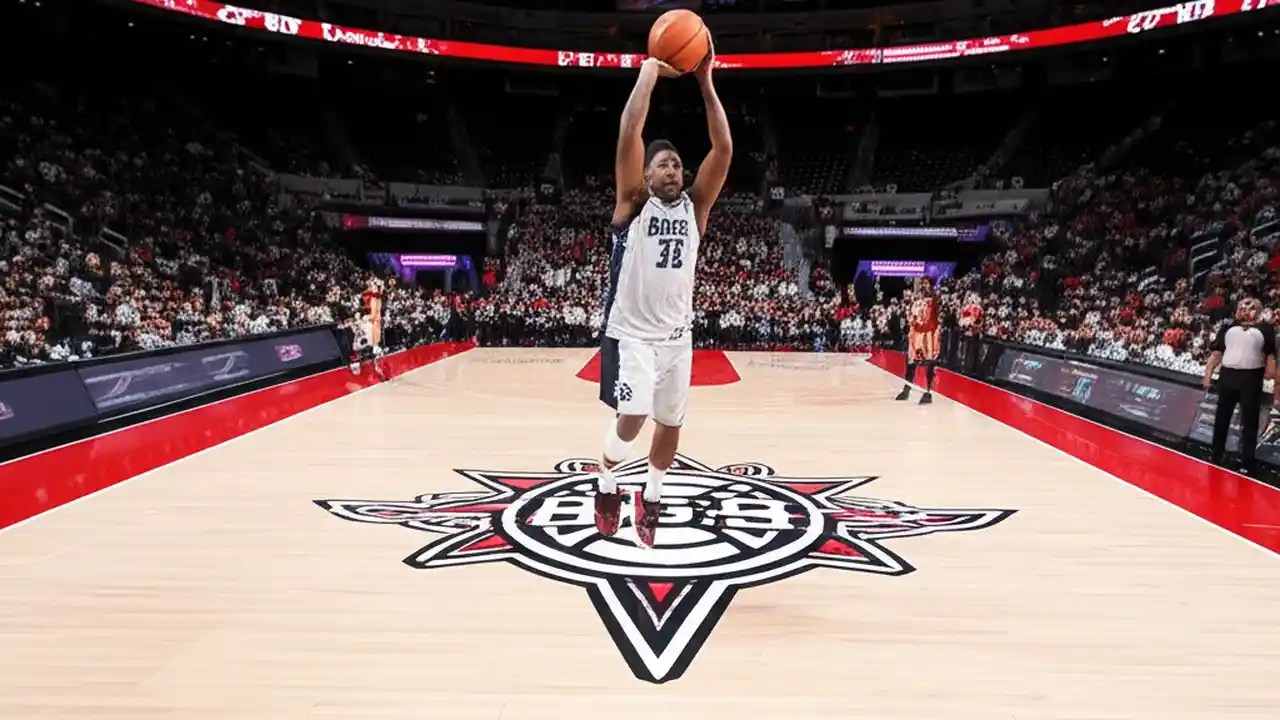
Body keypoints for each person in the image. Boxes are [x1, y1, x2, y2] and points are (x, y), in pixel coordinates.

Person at [593, 40, 732, 548]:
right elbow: (630, 130)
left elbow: (724, 151)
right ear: (646, 176)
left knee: (671, 424)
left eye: (676, 164)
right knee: (633, 416)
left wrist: (706, 81)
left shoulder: (696, 209)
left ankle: (649, 496)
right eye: (663, 165)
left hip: (677, 337)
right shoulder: (631, 205)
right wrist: (649, 72)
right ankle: (605, 477)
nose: (672, 169)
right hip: (631, 333)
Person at [1203, 297, 1276, 474]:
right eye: (1242, 307)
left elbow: (1271, 356)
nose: (1245, 310)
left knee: (1249, 422)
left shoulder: (1265, 329)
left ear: (1258, 311)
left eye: (1250, 308)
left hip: (1251, 378)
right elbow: (1216, 353)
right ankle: (1216, 454)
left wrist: (1270, 376)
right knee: (1222, 417)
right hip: (1228, 376)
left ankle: (1246, 461)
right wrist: (1208, 375)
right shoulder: (1228, 327)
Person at [896, 276, 941, 404]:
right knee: (911, 363)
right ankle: (907, 389)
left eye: (926, 284)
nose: (923, 286)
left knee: (929, 363)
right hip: (916, 335)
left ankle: (928, 392)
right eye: (922, 284)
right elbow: (912, 317)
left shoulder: (934, 302)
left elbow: (933, 321)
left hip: (928, 335)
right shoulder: (916, 302)